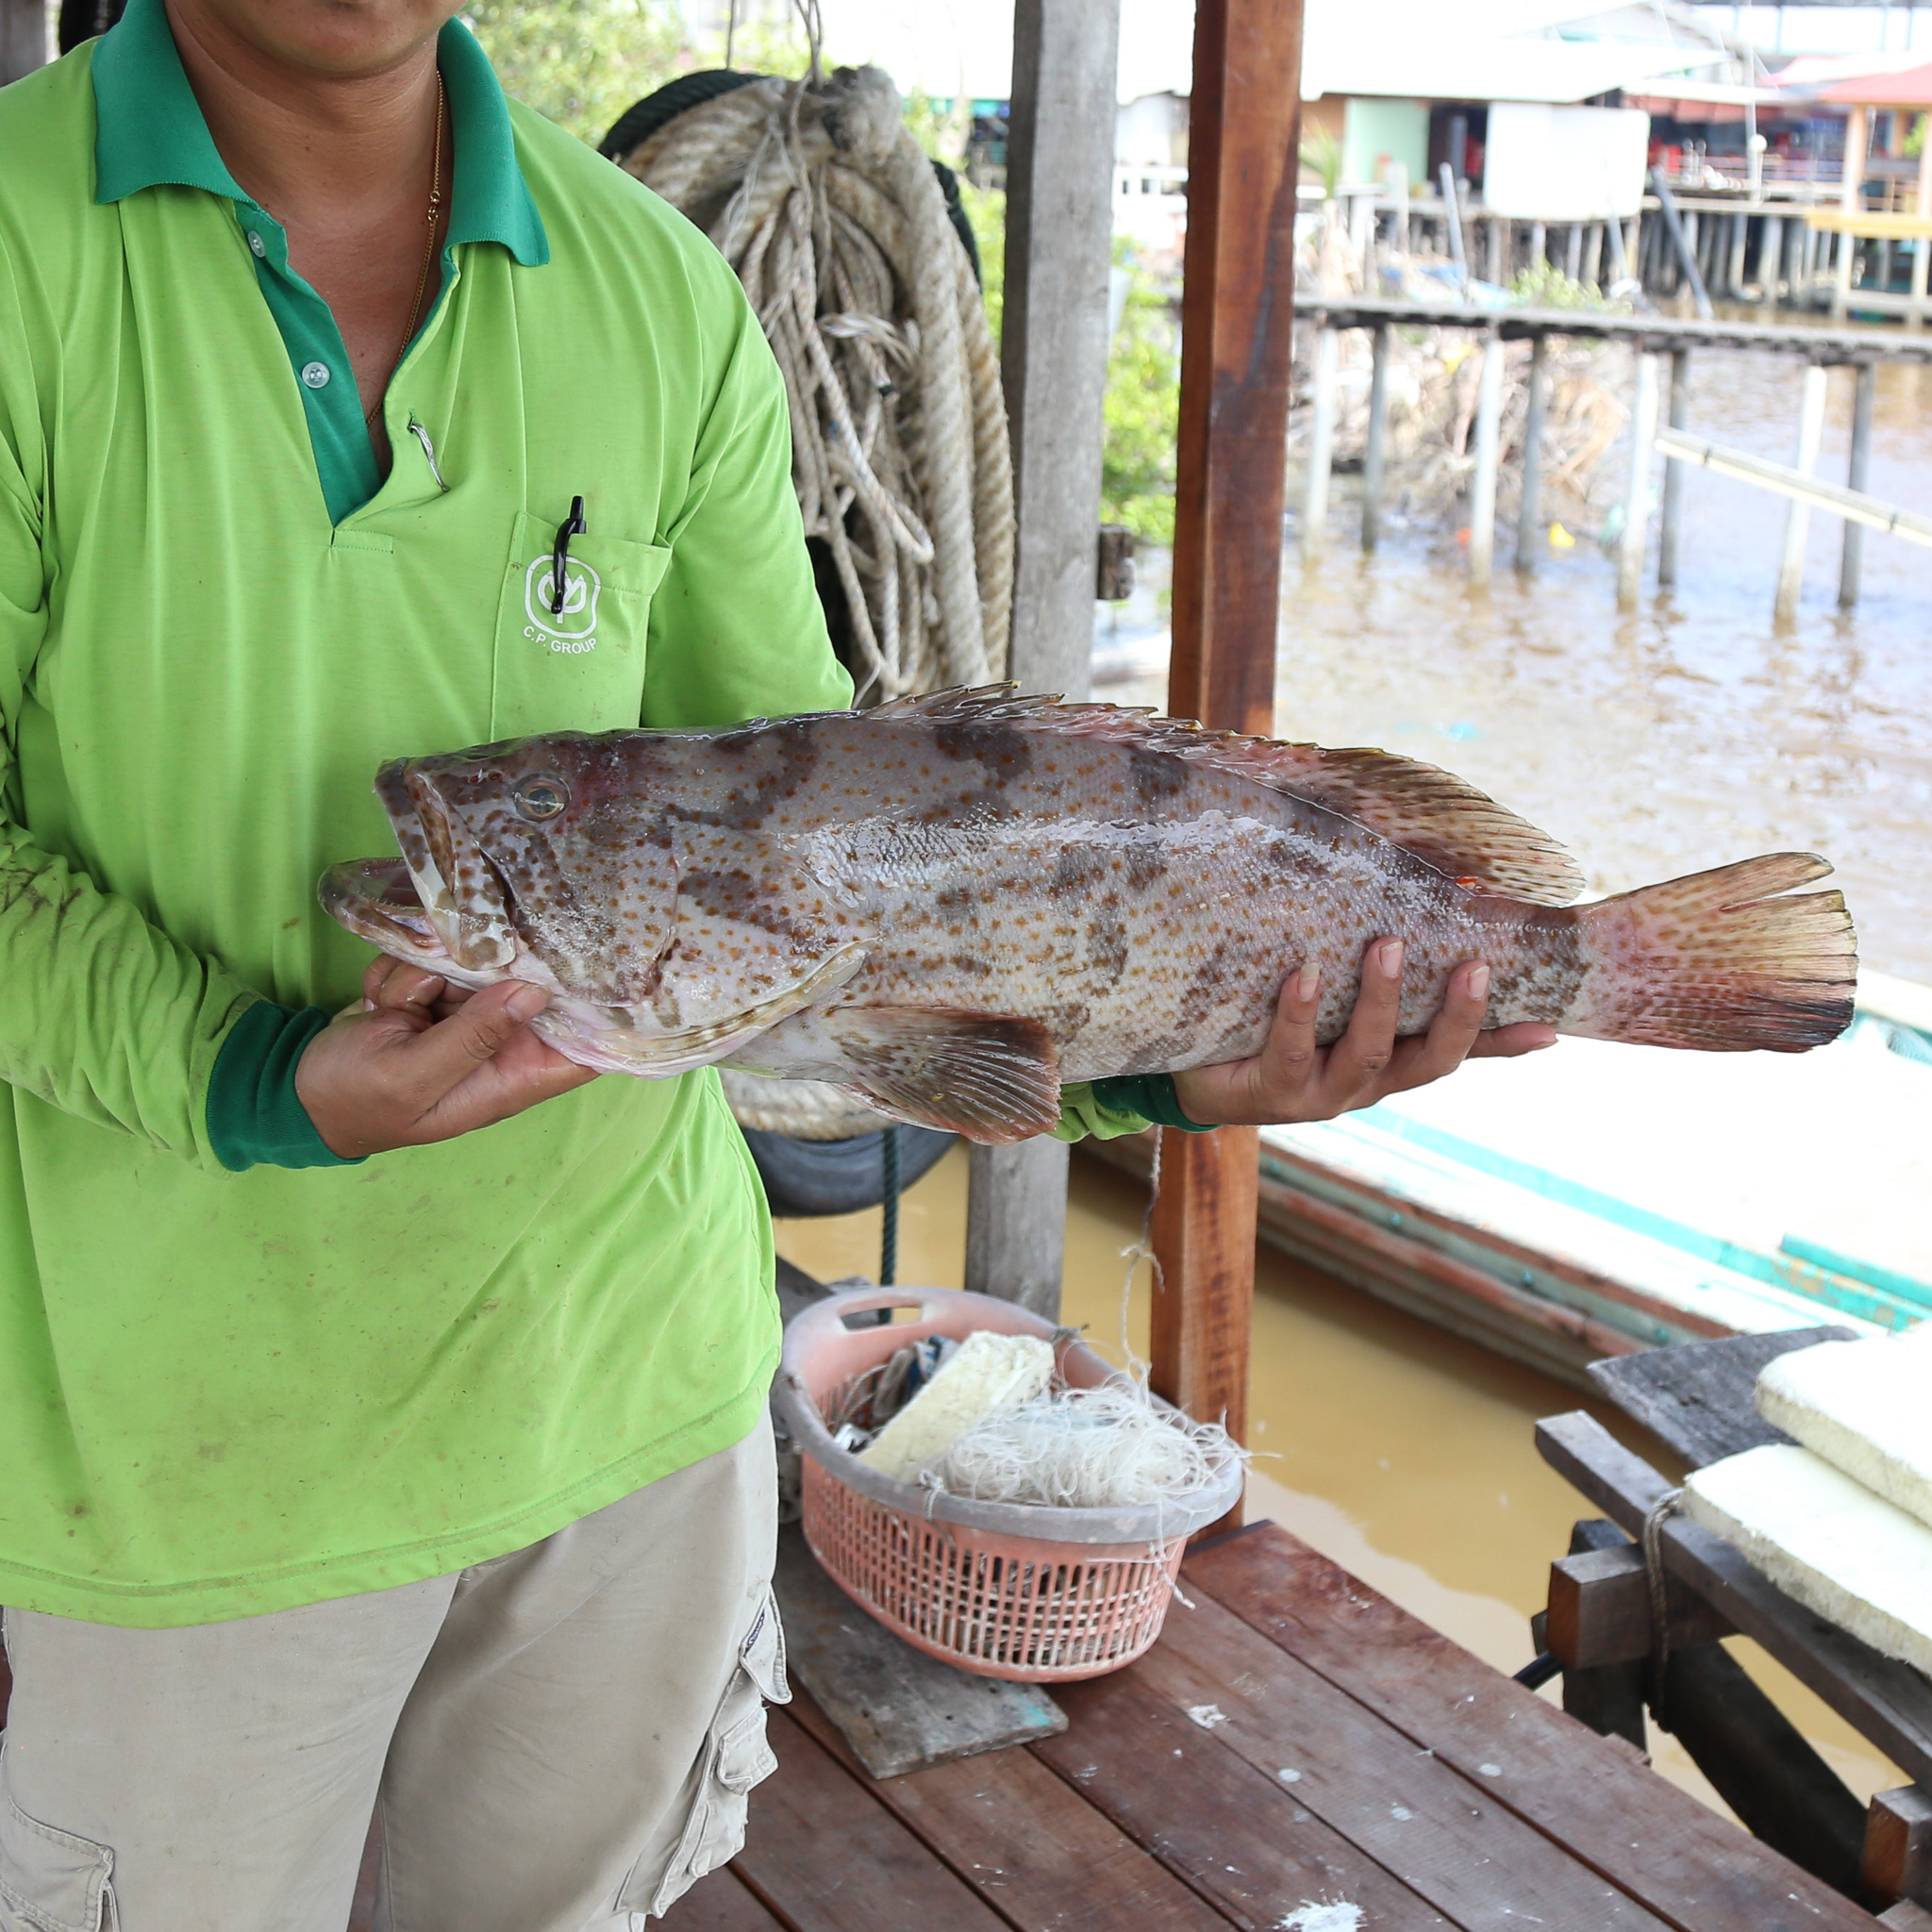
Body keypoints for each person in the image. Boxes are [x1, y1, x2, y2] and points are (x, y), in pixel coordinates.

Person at [0, 4, 1557, 1927]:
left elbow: (836, 873)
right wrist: (259, 1074)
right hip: (173, 1469)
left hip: (628, 1424)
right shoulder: (19, 253)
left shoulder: (651, 291)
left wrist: (1165, 1062)